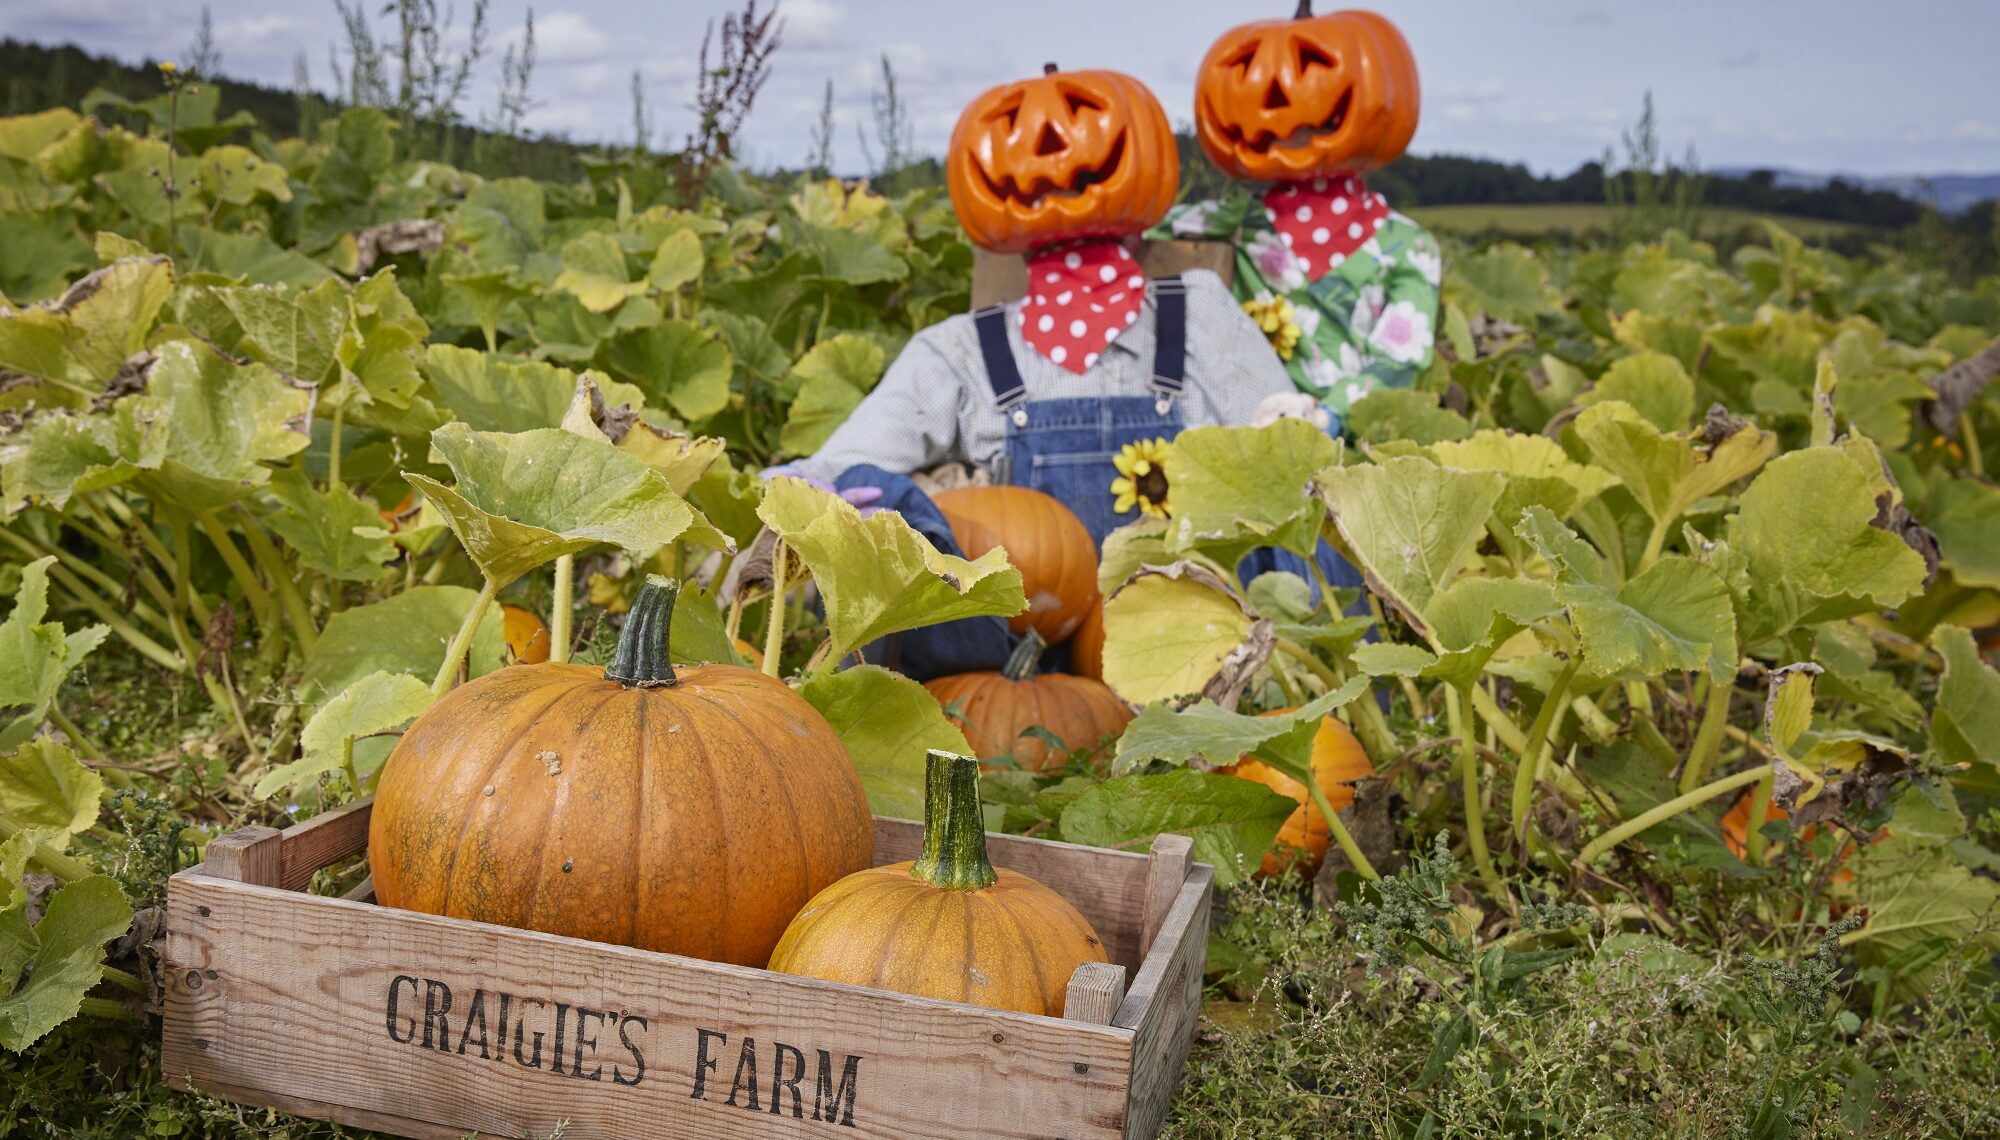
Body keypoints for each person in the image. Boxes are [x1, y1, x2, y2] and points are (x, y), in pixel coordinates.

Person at [771, 64, 1312, 679]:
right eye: (1017, 135)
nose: (1054, 153)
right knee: (885, 500)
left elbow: (1288, 453)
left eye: (1082, 126)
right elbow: (846, 464)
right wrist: (808, 493)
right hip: (1020, 662)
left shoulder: (1196, 316)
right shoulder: (965, 351)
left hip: (1191, 648)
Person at [1152, 5, 1440, 436]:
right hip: (1254, 428)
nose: (1278, 106)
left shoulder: (1408, 245)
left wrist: (1331, 415)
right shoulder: (1238, 222)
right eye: (1250, 75)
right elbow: (1143, 233)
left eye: (1313, 69)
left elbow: (1402, 355)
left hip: (1363, 442)